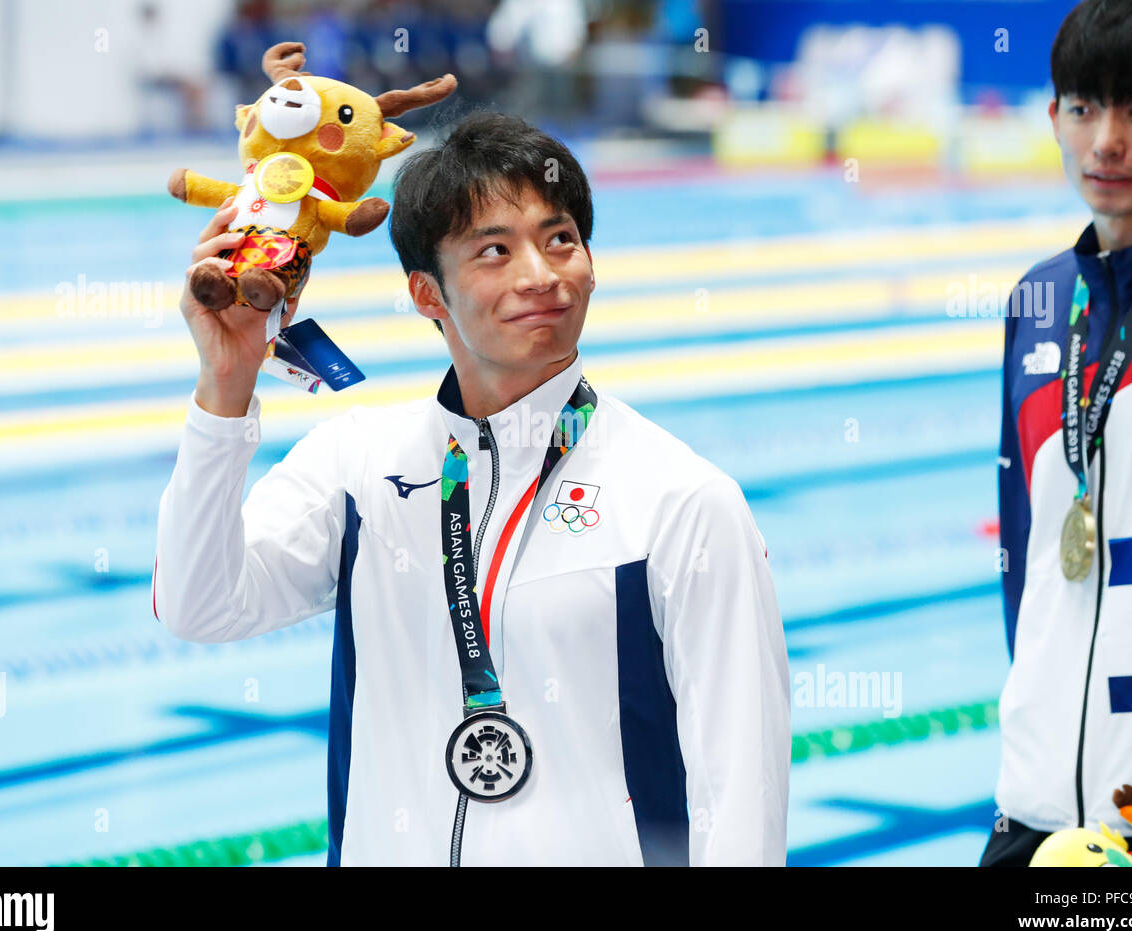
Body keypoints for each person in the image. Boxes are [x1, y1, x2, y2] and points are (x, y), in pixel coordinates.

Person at [152, 110, 790, 866]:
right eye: (496, 249)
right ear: (427, 293)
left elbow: (741, 783)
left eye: (561, 239)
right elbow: (199, 607)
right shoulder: (356, 468)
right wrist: (226, 384)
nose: (542, 275)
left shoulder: (679, 499)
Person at [985, 0, 1132, 866]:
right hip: (1035, 804)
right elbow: (1027, 552)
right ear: (1053, 119)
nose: (1107, 141)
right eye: (1083, 107)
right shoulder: (1036, 305)